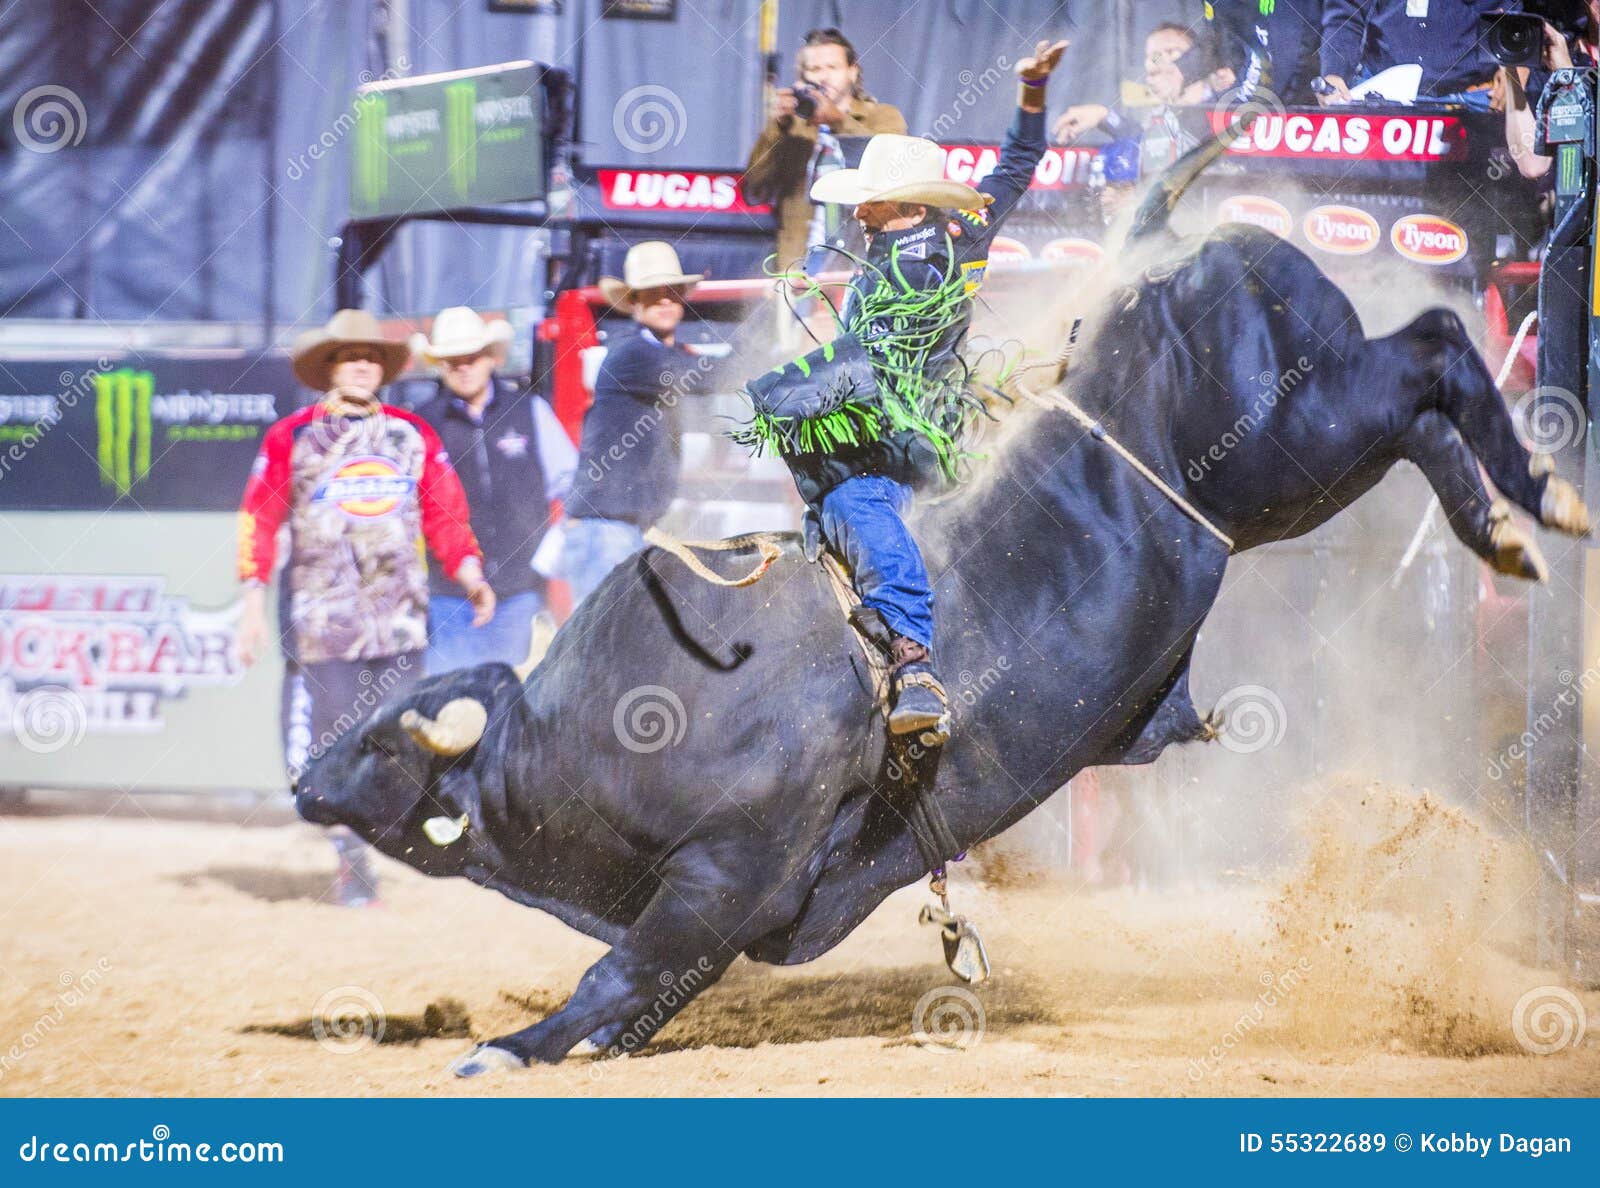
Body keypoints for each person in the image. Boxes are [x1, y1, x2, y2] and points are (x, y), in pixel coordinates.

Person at [737, 39, 1067, 741]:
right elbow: (1016, 166)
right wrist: (1032, 95)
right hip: (902, 416)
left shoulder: (931, 249)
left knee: (856, 497)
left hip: (921, 431)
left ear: (901, 205)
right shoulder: (961, 233)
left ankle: (914, 662)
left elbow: (1015, 166)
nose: (857, 215)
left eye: (871, 205)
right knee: (835, 493)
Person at [237, 309, 494, 906]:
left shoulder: (411, 434)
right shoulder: (292, 436)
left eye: (372, 355)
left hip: (401, 621)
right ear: (328, 366)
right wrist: (252, 602)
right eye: (349, 354)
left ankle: (410, 849)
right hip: (324, 626)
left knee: (401, 740)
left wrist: (471, 573)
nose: (361, 364)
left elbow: (445, 512)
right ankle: (353, 867)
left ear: (384, 367)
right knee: (334, 745)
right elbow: (261, 518)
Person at [412, 307, 576, 672]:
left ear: (490, 358)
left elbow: (570, 481)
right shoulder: (423, 423)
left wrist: (555, 548)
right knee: (450, 705)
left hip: (521, 589)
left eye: (471, 357)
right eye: (453, 361)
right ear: (439, 365)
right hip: (449, 595)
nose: (464, 367)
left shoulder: (528, 410)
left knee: (514, 698)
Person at [562, 242, 718, 605]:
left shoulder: (655, 354)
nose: (665, 301)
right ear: (634, 302)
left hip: (621, 526)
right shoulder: (635, 355)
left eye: (672, 292)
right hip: (607, 528)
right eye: (653, 294)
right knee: (600, 645)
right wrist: (764, 324)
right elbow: (713, 377)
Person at [743, 26, 907, 273]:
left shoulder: (883, 117)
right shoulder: (793, 130)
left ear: (852, 71)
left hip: (864, 260)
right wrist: (777, 129)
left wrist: (838, 121)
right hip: (802, 264)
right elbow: (754, 190)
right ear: (802, 76)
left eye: (832, 68)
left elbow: (893, 165)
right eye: (814, 69)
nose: (824, 77)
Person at [1052, 23, 1231, 176]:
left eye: (1171, 52)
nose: (1157, 65)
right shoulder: (1160, 121)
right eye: (1152, 57)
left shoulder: (1229, 108)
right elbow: (1144, 142)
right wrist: (1104, 116)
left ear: (1199, 60)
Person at [1317, 0, 1517, 109]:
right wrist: (1335, 72)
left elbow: (1514, 18)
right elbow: (1346, 15)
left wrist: (1516, 66)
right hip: (1383, 96)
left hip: (1471, 99)